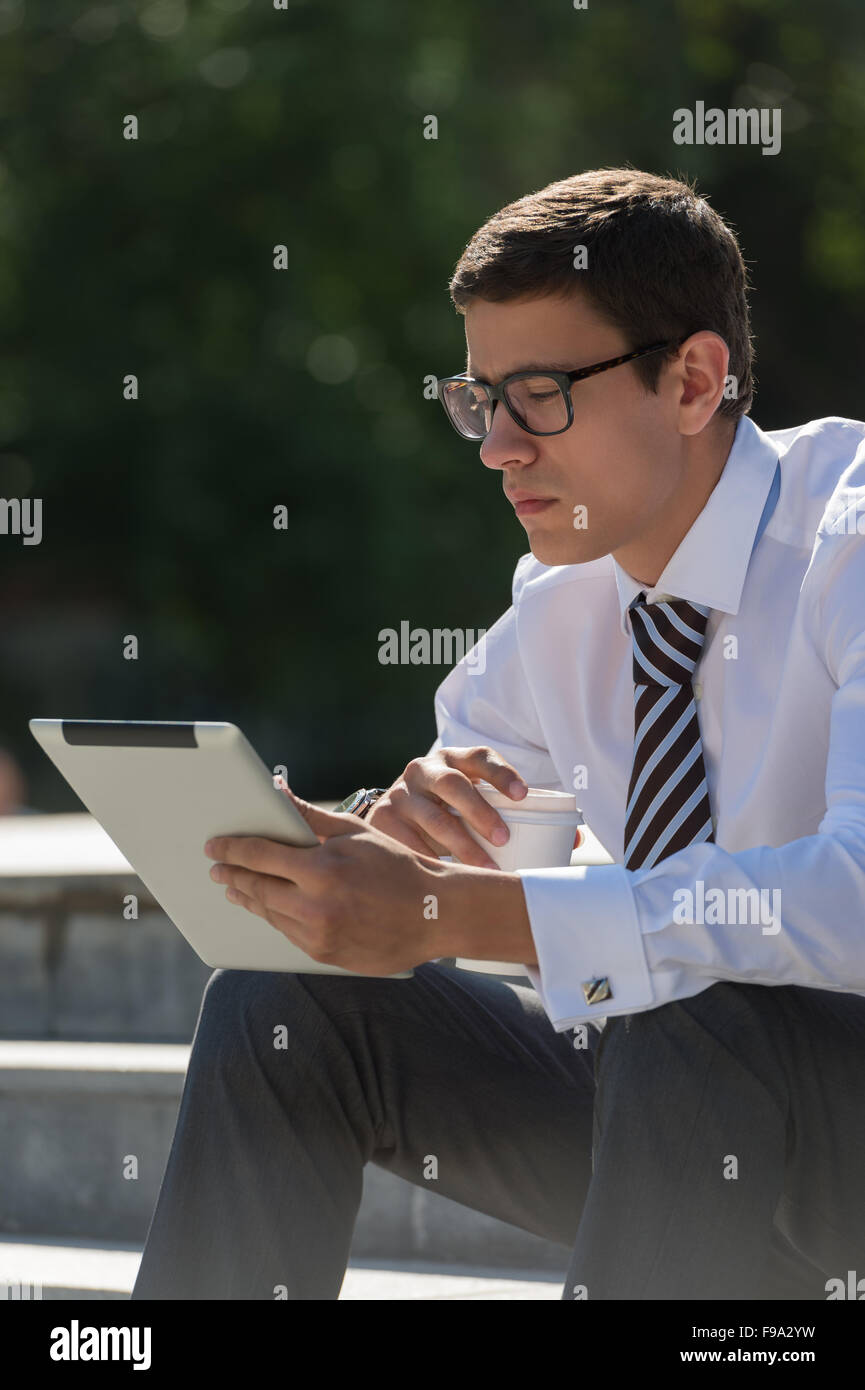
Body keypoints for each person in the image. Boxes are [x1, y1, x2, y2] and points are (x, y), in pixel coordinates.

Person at [131, 168, 865, 1301]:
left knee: (691, 1013)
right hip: (684, 1142)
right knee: (287, 1000)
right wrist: (385, 852)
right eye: (478, 400)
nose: (497, 448)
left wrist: (455, 906)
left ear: (692, 380)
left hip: (826, 1144)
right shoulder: (560, 604)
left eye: (539, 394)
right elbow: (475, 856)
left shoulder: (847, 541)